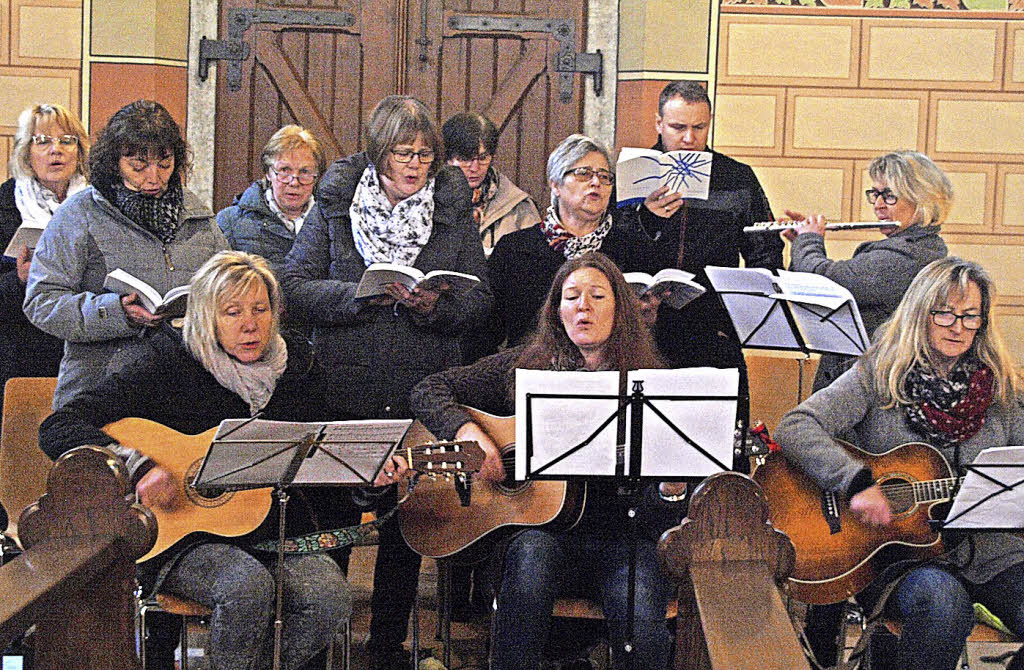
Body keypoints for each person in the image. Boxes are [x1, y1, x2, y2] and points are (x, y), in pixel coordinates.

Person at [39, 251, 402, 670]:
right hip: (179, 535)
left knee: (330, 597)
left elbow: (328, 459)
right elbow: (60, 426)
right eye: (232, 312)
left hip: (272, 534)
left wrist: (370, 480)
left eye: (260, 309)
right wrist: (138, 467)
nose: (250, 324)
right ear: (207, 318)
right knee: (245, 588)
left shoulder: (299, 370)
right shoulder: (168, 362)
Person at [280, 95, 491, 670]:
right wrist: (357, 295)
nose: (415, 164)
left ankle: (387, 647)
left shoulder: (451, 211)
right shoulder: (335, 206)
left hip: (423, 382)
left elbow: (479, 301)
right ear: (378, 154)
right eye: (403, 152)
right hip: (344, 385)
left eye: (424, 154)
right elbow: (293, 287)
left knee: (409, 520)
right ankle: (326, 645)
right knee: (339, 523)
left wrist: (432, 306)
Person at [411, 251, 684, 670]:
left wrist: (670, 491)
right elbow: (429, 389)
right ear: (556, 310)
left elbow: (656, 516)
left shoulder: (648, 383)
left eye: (597, 296)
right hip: (539, 535)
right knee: (531, 560)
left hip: (621, 542)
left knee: (642, 616)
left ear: (621, 309)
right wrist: (469, 435)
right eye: (571, 296)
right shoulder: (524, 365)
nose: (583, 307)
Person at [774, 257, 1024, 670]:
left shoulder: (1004, 390)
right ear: (918, 315)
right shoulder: (879, 374)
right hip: (898, 557)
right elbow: (796, 425)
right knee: (943, 609)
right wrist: (855, 482)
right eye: (943, 313)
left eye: (969, 316)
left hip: (993, 555)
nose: (957, 326)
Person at [23, 100, 227, 409]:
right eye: (139, 165)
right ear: (114, 161)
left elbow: (229, 287)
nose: (155, 177)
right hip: (100, 390)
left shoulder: (197, 213)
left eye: (165, 162)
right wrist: (115, 312)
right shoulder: (79, 214)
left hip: (183, 387)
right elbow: (41, 301)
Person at [617, 80, 784, 371]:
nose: (689, 138)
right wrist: (646, 218)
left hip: (712, 327)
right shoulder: (634, 173)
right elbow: (613, 247)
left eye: (699, 127)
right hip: (644, 327)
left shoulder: (738, 178)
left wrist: (741, 316)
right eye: (678, 127)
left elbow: (765, 252)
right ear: (659, 123)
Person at [782, 151, 951, 393]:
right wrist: (801, 244)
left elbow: (827, 281)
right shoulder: (911, 248)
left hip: (870, 387)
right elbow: (812, 288)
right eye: (875, 194)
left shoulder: (909, 255)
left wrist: (808, 241)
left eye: (889, 196)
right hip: (855, 378)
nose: (878, 205)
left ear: (921, 199)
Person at [483, 134, 650, 356]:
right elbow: (486, 332)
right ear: (555, 184)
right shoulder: (515, 249)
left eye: (604, 176)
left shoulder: (630, 248)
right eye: (583, 174)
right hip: (533, 372)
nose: (596, 183)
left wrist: (648, 316)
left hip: (609, 372)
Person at [1, 104, 89, 428]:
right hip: (22, 354)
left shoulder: (97, 204)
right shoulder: (6, 204)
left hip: (84, 351)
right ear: (27, 153)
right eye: (43, 141)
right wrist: (20, 280)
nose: (56, 150)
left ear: (79, 151)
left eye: (67, 141)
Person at [217, 124, 326, 275]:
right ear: (268, 173)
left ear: (317, 176)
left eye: (305, 172)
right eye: (284, 171)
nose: (294, 182)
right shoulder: (230, 222)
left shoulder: (332, 222)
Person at [441, 112, 540, 250]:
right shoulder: (426, 199)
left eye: (482, 158)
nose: (475, 168)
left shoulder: (519, 207)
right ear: (448, 158)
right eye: (465, 159)